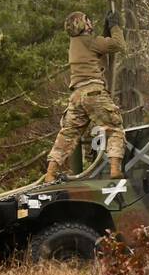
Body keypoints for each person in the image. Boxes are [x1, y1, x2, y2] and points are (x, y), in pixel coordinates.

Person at [40, 10, 125, 183]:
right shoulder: (90, 41)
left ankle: (50, 172)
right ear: (82, 24)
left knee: (68, 134)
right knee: (114, 128)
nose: (90, 22)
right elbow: (118, 45)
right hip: (93, 92)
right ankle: (115, 169)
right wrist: (115, 26)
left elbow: (98, 51)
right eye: (87, 20)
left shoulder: (75, 43)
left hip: (76, 96)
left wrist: (105, 31)